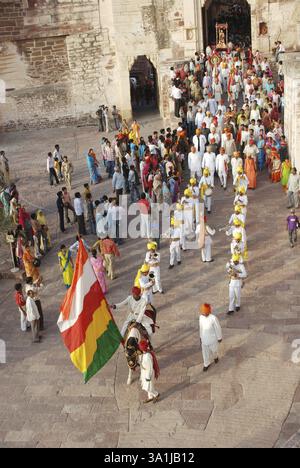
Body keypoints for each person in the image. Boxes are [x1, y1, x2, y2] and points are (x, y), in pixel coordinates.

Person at [199, 304, 222, 372]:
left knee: (214, 350)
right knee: (205, 353)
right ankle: (206, 364)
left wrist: (219, 337)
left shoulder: (213, 318)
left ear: (209, 311)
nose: (204, 314)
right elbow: (201, 327)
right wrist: (200, 337)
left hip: (212, 340)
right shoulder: (201, 317)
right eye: (203, 312)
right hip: (204, 339)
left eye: (205, 312)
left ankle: (215, 356)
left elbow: (218, 328)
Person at [138, 340, 160, 404]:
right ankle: (150, 397)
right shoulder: (145, 353)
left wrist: (148, 377)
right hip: (145, 373)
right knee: (148, 386)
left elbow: (150, 367)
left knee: (148, 387)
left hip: (148, 374)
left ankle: (156, 394)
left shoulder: (147, 356)